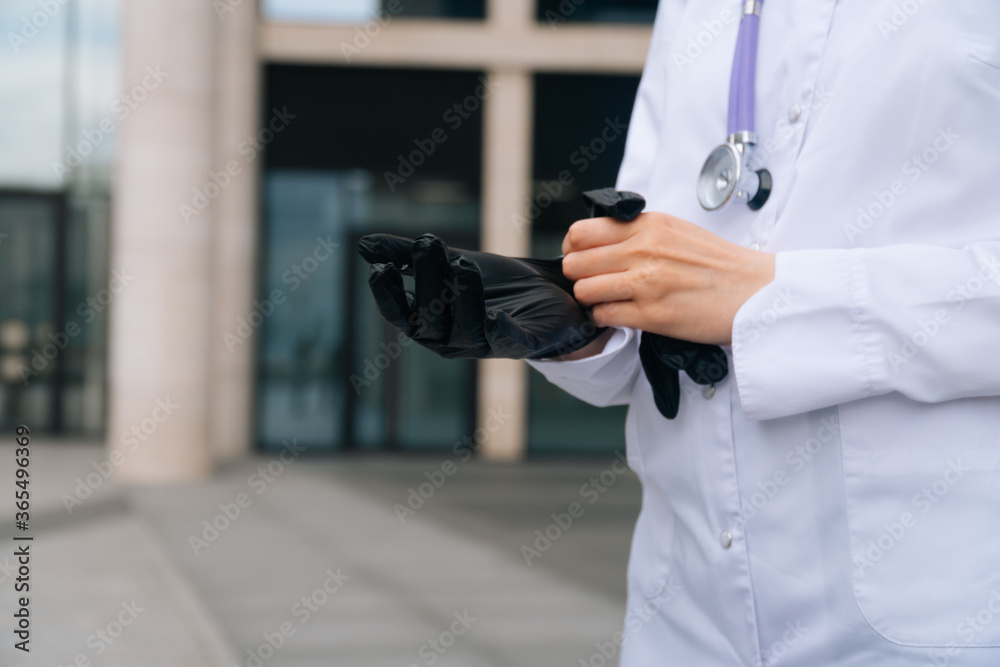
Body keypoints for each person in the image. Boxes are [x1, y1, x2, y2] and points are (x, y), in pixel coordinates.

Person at [360, 1, 1000, 664]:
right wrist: (576, 322)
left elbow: (722, 292)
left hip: (932, 611)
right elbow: (659, 282)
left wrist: (772, 300)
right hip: (685, 614)